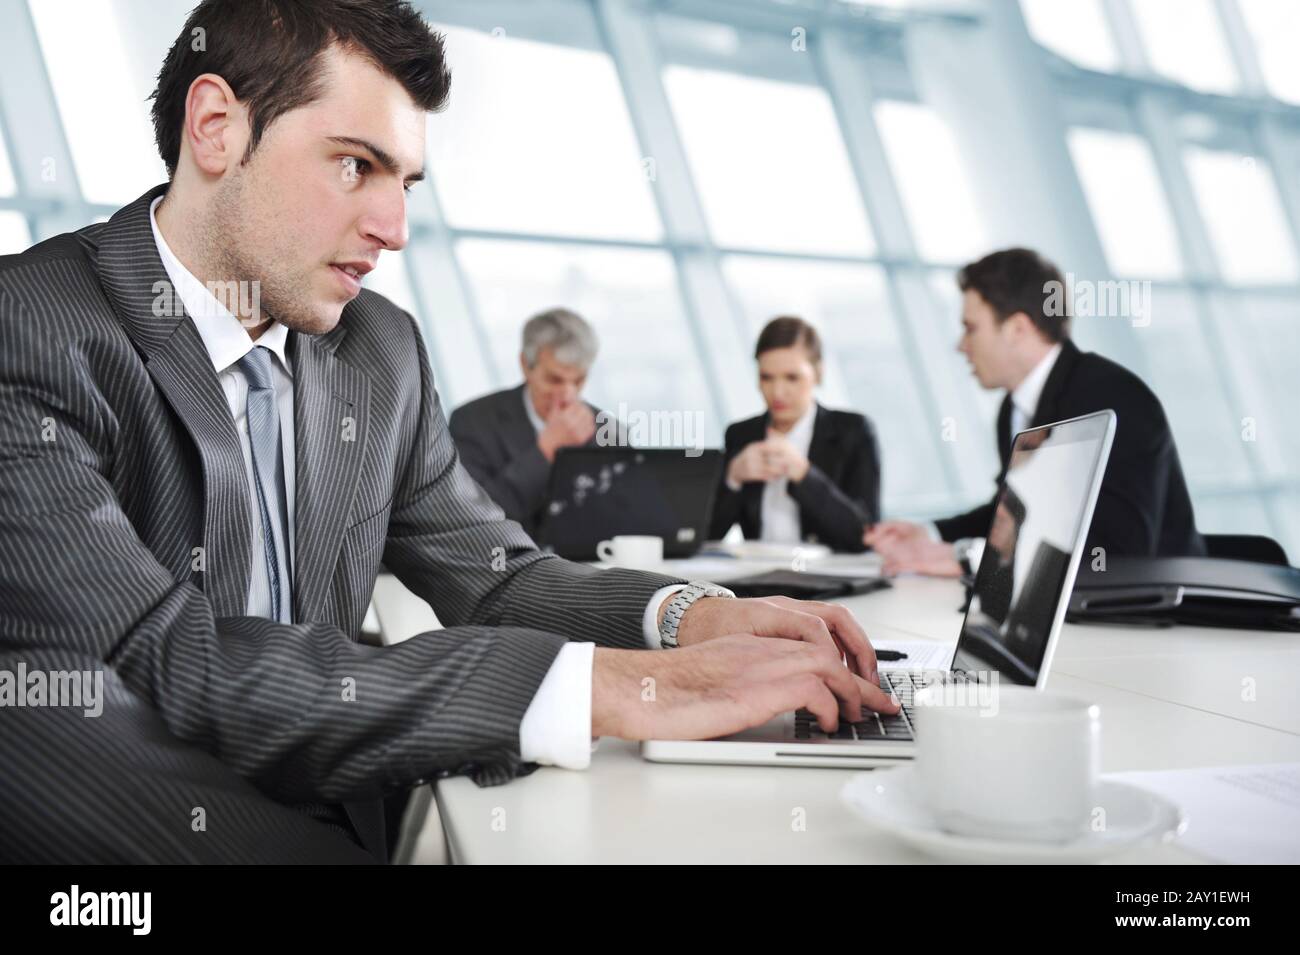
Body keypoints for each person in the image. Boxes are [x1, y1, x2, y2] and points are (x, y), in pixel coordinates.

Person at [0, 0, 897, 864]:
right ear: (216, 127)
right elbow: (170, 661)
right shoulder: (29, 329)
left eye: (406, 182)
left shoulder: (379, 350)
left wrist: (690, 619)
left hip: (356, 807)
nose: (392, 228)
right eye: (354, 164)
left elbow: (498, 578)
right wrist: (615, 688)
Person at [866, 248, 1204, 576]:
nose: (960, 345)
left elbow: (1115, 548)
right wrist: (931, 534)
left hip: (1150, 611)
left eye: (970, 328)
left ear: (1017, 328)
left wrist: (969, 557)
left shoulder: (1113, 396)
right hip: (1066, 610)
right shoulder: (1013, 409)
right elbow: (1011, 513)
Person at [710, 316, 881, 552]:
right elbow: (706, 535)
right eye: (766, 377)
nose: (778, 392)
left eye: (792, 378)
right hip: (758, 580)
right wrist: (733, 479)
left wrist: (804, 475)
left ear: (817, 374)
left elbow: (863, 535)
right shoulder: (741, 434)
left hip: (827, 579)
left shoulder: (853, 430)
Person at [450, 308, 609, 537]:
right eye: (554, 379)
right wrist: (545, 452)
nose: (568, 394)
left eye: (579, 380)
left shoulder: (609, 432)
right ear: (526, 365)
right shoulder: (472, 422)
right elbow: (471, 516)